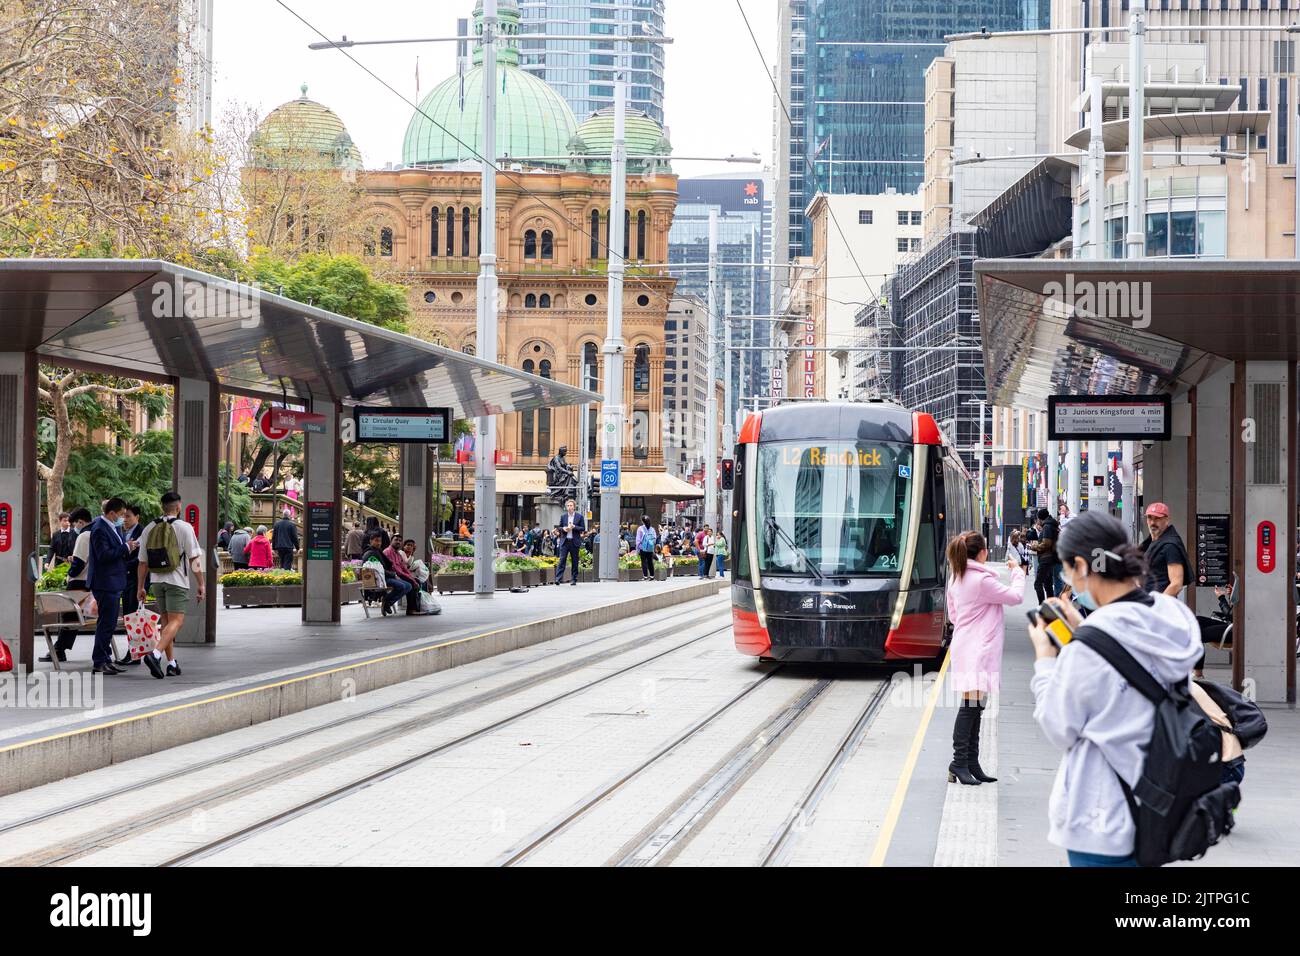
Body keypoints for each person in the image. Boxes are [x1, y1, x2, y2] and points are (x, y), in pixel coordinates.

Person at [1027, 511, 1201, 867]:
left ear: (1080, 565)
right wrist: (1085, 632)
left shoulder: (1090, 645)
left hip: (1101, 819)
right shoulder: (1174, 619)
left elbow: (1059, 727)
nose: (1066, 579)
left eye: (1066, 570)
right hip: (1158, 809)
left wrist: (1046, 660)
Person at [945, 531, 1025, 786]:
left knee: (975, 705)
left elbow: (953, 615)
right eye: (986, 549)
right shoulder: (981, 581)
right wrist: (1018, 573)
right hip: (978, 648)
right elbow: (1015, 597)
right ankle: (959, 763)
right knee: (970, 706)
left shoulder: (956, 577)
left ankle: (971, 762)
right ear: (981, 553)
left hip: (966, 644)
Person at [136, 490, 205, 679]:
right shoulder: (184, 527)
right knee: (177, 622)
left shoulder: (149, 527)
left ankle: (172, 664)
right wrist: (201, 583)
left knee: (167, 623)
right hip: (177, 582)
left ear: (162, 507)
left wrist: (140, 587)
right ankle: (155, 654)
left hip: (157, 581)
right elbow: (194, 558)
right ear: (179, 507)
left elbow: (142, 563)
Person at [85, 497, 136, 675]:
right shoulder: (100, 528)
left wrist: (128, 548)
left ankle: (105, 659)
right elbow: (104, 555)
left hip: (112, 581)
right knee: (106, 623)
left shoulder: (112, 527)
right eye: (121, 514)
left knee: (108, 622)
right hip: (105, 582)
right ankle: (99, 661)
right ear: (112, 512)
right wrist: (126, 548)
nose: (123, 517)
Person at [41, 508, 94, 664]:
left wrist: (70, 571)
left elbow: (78, 563)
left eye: (74, 524)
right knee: (74, 617)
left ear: (80, 522)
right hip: (89, 580)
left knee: (69, 616)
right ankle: (60, 649)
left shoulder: (84, 536)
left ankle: (58, 650)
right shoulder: (97, 533)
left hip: (78, 581)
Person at [1140, 502, 1189, 598]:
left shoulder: (1170, 546)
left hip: (1159, 608)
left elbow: (1176, 584)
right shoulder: (1151, 542)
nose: (1152, 522)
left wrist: (1157, 605)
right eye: (1150, 517)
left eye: (1157, 518)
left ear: (1167, 520)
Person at [362, 531, 409, 616]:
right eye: (376, 541)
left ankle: (387, 603)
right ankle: (387, 602)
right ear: (371, 541)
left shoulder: (378, 551)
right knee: (401, 586)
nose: (379, 543)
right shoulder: (370, 553)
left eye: (380, 541)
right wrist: (393, 575)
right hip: (379, 578)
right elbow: (378, 570)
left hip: (385, 576)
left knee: (408, 585)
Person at [384, 537, 422, 614]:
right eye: (396, 540)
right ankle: (388, 601)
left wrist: (412, 579)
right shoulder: (388, 552)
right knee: (409, 584)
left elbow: (404, 568)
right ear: (391, 541)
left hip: (398, 575)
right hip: (392, 576)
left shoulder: (397, 554)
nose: (398, 542)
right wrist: (412, 580)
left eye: (400, 541)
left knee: (417, 581)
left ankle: (413, 608)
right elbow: (396, 570)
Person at [1029, 508, 1061, 601]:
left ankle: (1042, 606)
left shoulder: (1047, 527)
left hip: (1046, 559)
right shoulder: (1052, 525)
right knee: (1047, 585)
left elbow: (1046, 544)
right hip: (1050, 558)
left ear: (1040, 518)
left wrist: (1034, 546)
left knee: (1038, 584)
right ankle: (1049, 607)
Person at [555, 498, 585, 586]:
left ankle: (573, 579)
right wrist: (563, 529)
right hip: (565, 541)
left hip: (574, 541)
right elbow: (559, 527)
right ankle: (558, 579)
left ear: (574, 507)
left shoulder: (579, 517)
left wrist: (574, 527)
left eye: (571, 505)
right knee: (562, 560)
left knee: (575, 561)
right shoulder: (563, 516)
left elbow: (583, 528)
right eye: (568, 506)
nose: (569, 507)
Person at [271, 507, 299, 571]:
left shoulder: (277, 524)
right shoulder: (292, 525)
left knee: (282, 563)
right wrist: (297, 547)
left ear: (283, 515)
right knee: (287, 564)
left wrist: (273, 548)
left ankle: (282, 576)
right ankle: (286, 577)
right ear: (289, 515)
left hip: (279, 547)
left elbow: (274, 537)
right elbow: (294, 537)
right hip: (288, 547)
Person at [635, 515, 658, 581]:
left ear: (642, 521)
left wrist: (638, 547)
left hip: (643, 548)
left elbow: (638, 540)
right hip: (650, 548)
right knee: (650, 562)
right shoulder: (652, 529)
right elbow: (654, 539)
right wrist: (651, 546)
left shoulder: (640, 528)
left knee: (644, 562)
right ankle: (652, 576)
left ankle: (645, 576)